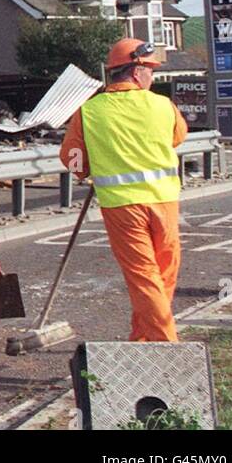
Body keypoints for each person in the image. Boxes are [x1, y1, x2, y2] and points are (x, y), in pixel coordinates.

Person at [59, 38, 188, 342]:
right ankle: (160, 344)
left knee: (145, 277)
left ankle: (151, 341)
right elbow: (177, 137)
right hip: (165, 201)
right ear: (136, 70)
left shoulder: (89, 111)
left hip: (122, 207)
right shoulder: (162, 105)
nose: (152, 77)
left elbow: (72, 159)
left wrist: (91, 167)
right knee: (162, 274)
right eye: (151, 70)